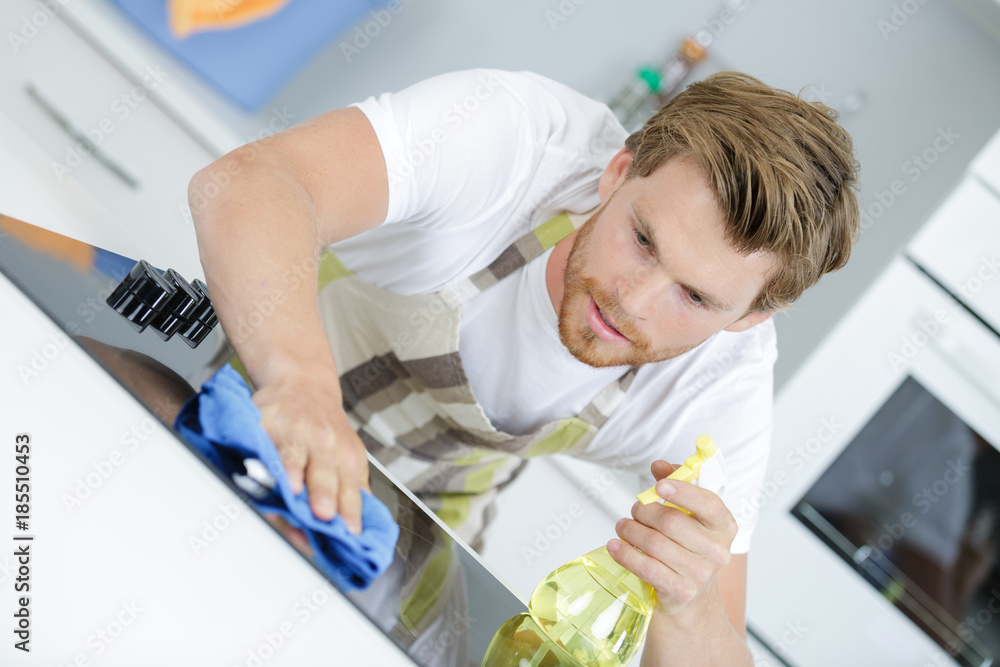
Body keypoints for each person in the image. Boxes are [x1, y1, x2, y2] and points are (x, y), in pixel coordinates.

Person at [187, 68, 859, 665]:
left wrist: (690, 603)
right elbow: (248, 183)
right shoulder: (512, 137)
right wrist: (301, 383)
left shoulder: (723, 388)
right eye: (644, 240)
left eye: (695, 296)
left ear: (746, 319)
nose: (634, 300)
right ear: (617, 173)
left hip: (421, 529)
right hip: (254, 391)